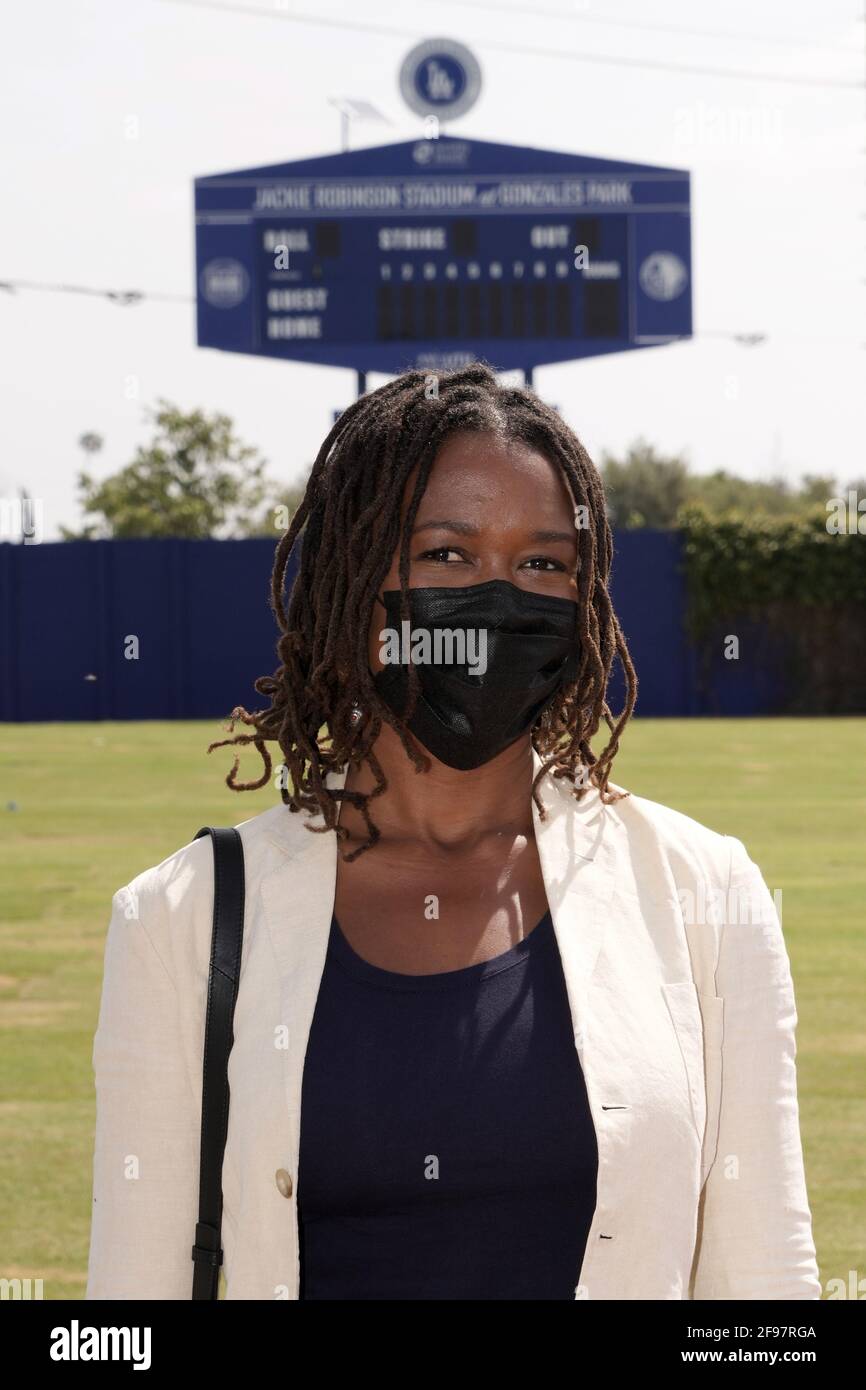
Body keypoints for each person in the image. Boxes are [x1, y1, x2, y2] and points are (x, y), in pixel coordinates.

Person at [85, 362, 820, 1300]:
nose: (497, 598)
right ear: (356, 581)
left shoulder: (705, 893)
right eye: (446, 555)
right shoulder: (181, 918)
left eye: (542, 564)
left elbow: (766, 1293)